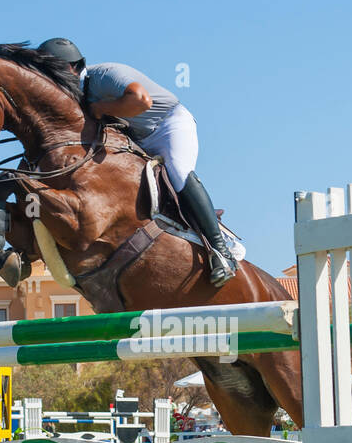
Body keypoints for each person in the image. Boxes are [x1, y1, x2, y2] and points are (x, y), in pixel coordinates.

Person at [36, 37, 235, 287]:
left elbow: (142, 101)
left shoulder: (105, 74)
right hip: (138, 138)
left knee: (179, 171)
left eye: (51, 74)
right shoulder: (76, 94)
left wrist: (100, 108)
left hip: (168, 124)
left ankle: (221, 252)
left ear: (69, 68)